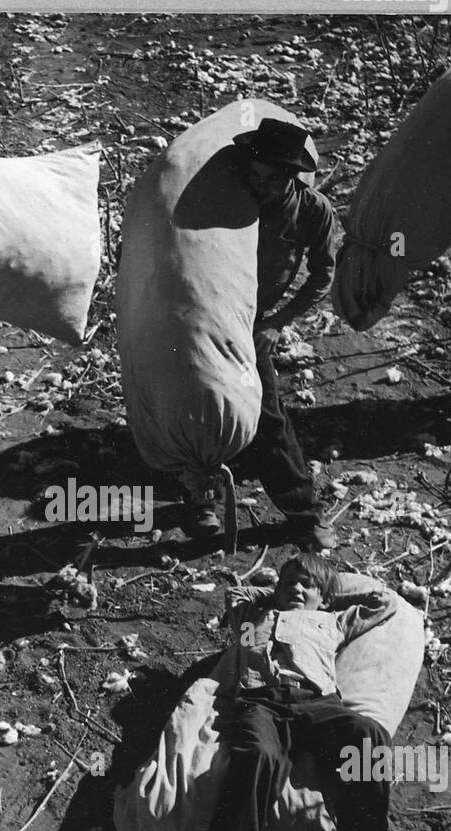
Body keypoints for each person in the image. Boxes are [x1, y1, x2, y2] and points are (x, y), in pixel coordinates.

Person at [203, 553, 398, 831]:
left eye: (306, 585)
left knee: (369, 735)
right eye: (289, 582)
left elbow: (385, 602)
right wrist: (276, 595)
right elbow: (236, 592)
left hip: (318, 703)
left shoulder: (334, 622)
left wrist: (327, 598)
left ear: (323, 598)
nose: (296, 588)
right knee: (256, 755)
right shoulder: (251, 618)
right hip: (262, 702)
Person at [186, 119, 340, 548]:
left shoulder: (313, 212)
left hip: (253, 322)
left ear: (292, 176)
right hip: (207, 311)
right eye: (255, 177)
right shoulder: (228, 197)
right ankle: (202, 497)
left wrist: (278, 323)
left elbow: (321, 279)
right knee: (201, 402)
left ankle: (303, 512)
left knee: (267, 414)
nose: (261, 187)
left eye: (271, 180)